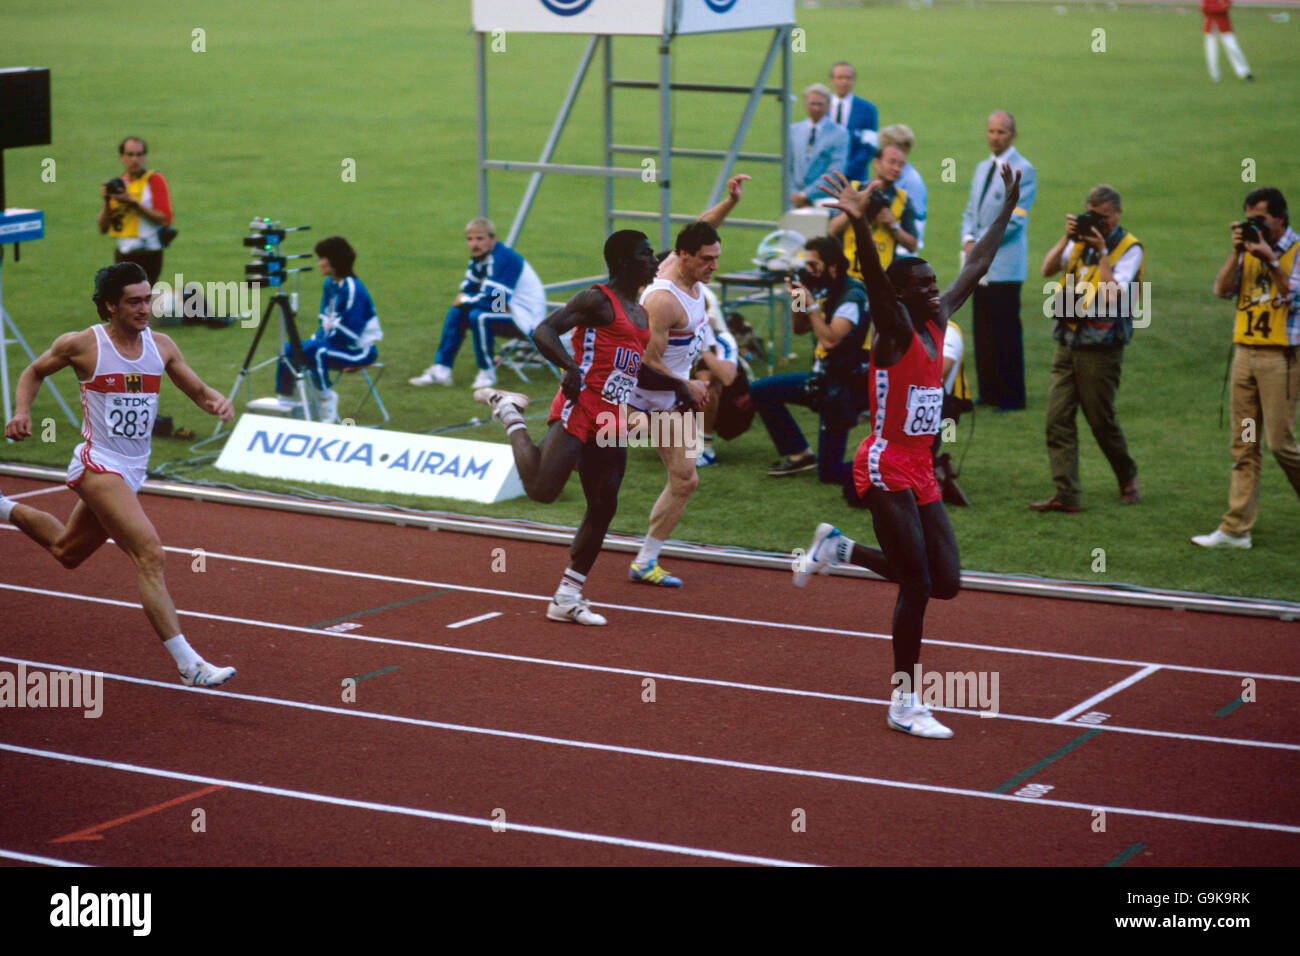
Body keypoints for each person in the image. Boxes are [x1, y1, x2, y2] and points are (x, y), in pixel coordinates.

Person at [795, 163, 1022, 740]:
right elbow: (875, 278)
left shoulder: (936, 317)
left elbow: (977, 265)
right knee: (916, 585)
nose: (932, 289)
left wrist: (1005, 210)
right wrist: (863, 218)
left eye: (931, 283)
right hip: (884, 461)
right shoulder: (893, 326)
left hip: (919, 467)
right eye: (920, 285)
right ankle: (904, 702)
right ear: (898, 296)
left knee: (943, 581)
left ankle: (838, 549)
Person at [0, 263, 237, 687]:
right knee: (150, 554)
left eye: (148, 299)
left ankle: (2, 507)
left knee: (66, 551)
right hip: (99, 464)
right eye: (134, 301)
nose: (145, 308)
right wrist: (21, 411)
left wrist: (217, 402)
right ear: (111, 304)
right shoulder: (83, 345)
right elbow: (34, 371)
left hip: (133, 470)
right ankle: (189, 664)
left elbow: (199, 393)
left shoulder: (161, 347)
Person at [471, 232, 703, 625]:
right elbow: (544, 331)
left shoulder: (641, 312)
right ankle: (509, 410)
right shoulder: (596, 299)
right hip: (582, 406)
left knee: (604, 503)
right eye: (646, 254)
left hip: (612, 416)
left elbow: (636, 369)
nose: (653, 260)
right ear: (624, 262)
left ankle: (567, 595)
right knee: (543, 490)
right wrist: (570, 367)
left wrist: (678, 385)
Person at [627, 175, 748, 588]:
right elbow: (644, 362)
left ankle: (645, 560)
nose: (715, 265)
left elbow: (702, 223)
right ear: (683, 257)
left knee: (685, 479)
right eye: (707, 259)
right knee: (599, 465)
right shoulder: (663, 300)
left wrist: (730, 201)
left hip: (671, 396)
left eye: (716, 256)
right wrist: (689, 386)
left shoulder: (684, 266)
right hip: (637, 396)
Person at [1192, 187, 1299, 549]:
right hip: (1245, 358)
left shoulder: (1296, 251)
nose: (1255, 225)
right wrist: (1237, 251)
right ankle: (1236, 528)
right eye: (1249, 218)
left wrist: (1270, 260)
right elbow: (1222, 290)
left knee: (1281, 444)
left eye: (1261, 219)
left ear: (1281, 218)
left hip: (1280, 360)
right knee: (1245, 443)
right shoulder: (1248, 251)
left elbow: (1291, 296)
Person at [1030, 185, 1144, 513]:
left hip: (1101, 346)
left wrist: (1103, 252)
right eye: (1092, 215)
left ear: (1117, 214)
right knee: (1057, 420)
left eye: (1103, 218)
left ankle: (1127, 475)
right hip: (1068, 339)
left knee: (1100, 420)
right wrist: (1067, 238)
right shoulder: (1078, 243)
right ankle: (1067, 495)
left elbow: (1111, 296)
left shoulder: (1129, 248)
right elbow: (1047, 269)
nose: (1099, 223)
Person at [750, 234, 869, 482]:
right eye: (807, 264)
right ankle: (798, 453)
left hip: (845, 386)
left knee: (830, 473)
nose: (809, 270)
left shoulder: (853, 295)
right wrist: (796, 301)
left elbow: (830, 340)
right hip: (824, 379)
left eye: (814, 265)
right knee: (761, 390)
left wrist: (812, 306)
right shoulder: (821, 287)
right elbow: (800, 328)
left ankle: (888, 468)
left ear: (834, 265)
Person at [410, 218, 546, 389]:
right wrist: (468, 299)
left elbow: (495, 303)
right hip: (507, 311)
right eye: (470, 239)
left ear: (493, 239)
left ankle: (487, 373)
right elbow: (468, 290)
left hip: (527, 320)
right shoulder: (479, 258)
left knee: (479, 316)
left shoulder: (503, 258)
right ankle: (441, 370)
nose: (474, 244)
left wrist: (467, 300)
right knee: (456, 312)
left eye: (480, 239)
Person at [960, 111, 1036, 411]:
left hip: (1004, 265)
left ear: (1013, 135)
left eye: (1002, 132)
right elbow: (970, 210)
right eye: (991, 131)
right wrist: (967, 239)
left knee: (1005, 331)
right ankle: (989, 391)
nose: (995, 137)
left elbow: (1015, 220)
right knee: (983, 329)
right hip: (978, 264)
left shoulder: (1024, 170)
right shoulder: (982, 168)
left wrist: (980, 246)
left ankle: (1012, 395)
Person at [275, 236, 382, 424]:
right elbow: (325, 321)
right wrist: (316, 340)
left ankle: (326, 398)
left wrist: (317, 343)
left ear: (334, 260)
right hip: (334, 345)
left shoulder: (353, 288)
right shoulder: (330, 285)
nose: (319, 263)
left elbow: (349, 333)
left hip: (358, 351)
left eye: (322, 258)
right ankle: (284, 402)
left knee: (316, 350)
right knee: (289, 349)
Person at [829, 143, 919, 280]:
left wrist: (892, 225)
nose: (896, 169)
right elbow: (831, 230)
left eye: (901, 165)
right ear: (876, 163)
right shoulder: (854, 190)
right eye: (892, 162)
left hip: (882, 281)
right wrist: (851, 211)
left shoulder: (904, 201)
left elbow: (913, 245)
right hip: (847, 278)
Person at [96, 137, 172, 286]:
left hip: (149, 252)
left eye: (139, 154)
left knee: (138, 300)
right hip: (123, 252)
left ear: (145, 156)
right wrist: (107, 201)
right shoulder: (118, 185)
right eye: (130, 155)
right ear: (121, 157)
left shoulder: (154, 180)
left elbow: (164, 219)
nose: (135, 159)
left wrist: (133, 203)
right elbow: (102, 228)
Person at [788, 84, 849, 210]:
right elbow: (787, 167)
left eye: (820, 104)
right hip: (794, 201)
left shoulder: (839, 133)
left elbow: (835, 170)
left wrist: (806, 195)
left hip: (823, 200)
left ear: (828, 106)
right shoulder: (793, 130)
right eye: (812, 104)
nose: (816, 108)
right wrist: (793, 193)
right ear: (805, 105)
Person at [933, 318, 973, 506]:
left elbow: (939, 373)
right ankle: (939, 466)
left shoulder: (948, 330)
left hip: (942, 407)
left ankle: (940, 468)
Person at [879, 124, 927, 255]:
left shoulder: (912, 182)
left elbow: (917, 222)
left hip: (901, 253)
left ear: (904, 149)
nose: (884, 150)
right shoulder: (885, 175)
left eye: (888, 146)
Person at [827, 61, 879, 182]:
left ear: (853, 81)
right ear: (832, 80)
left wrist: (846, 172)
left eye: (848, 78)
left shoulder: (867, 109)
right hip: (824, 179)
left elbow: (869, 147)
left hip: (855, 180)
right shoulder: (821, 106)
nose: (844, 82)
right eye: (840, 77)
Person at [1202, 0, 1253, 82]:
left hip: (1224, 25)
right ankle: (1214, 73)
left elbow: (1224, 8)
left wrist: (1212, 8)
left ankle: (1244, 71)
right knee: (1211, 50)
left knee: (1233, 48)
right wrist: (1217, 7)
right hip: (1211, 26)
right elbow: (1204, 9)